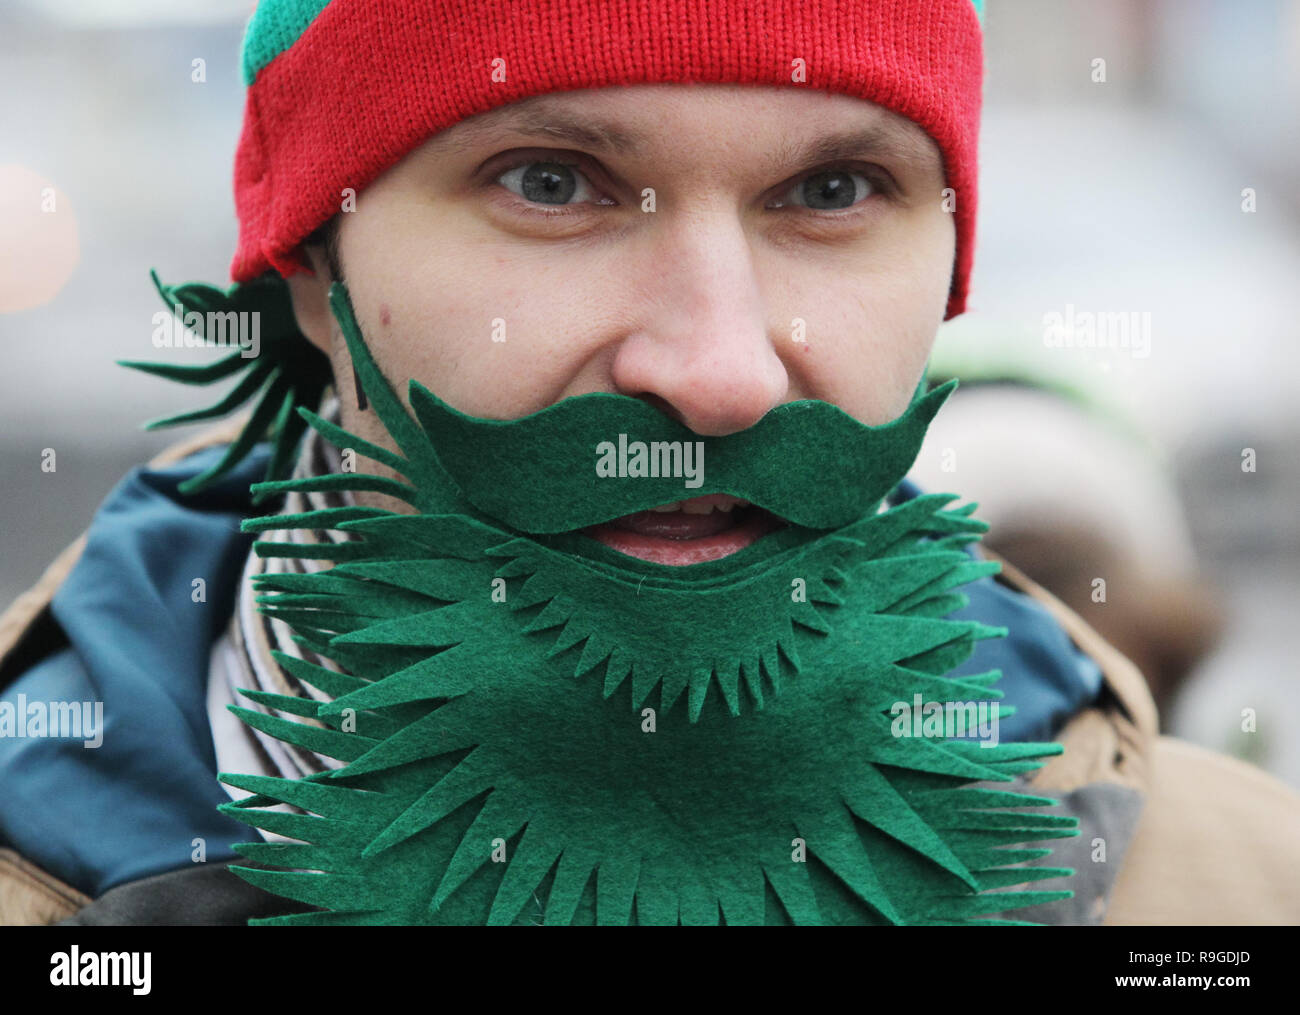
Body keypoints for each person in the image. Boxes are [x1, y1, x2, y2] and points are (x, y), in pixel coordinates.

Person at [2, 0, 1298, 926]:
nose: (720, 371)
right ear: (307, 266)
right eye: (551, 183)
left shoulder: (1232, 887)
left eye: (836, 190)